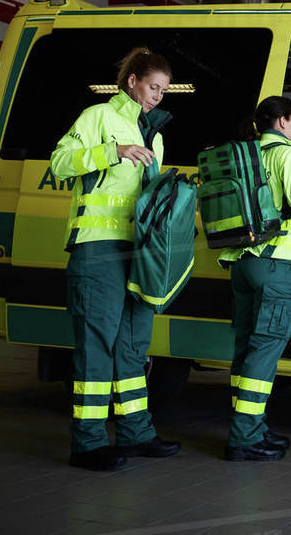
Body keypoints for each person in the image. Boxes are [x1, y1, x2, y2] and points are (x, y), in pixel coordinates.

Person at [50, 47, 181, 471]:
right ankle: (87, 443)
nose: (158, 96)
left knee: (132, 344)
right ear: (132, 82)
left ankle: (136, 432)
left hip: (140, 250)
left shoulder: (155, 133)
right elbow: (60, 163)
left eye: (163, 90)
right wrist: (113, 151)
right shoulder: (98, 118)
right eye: (153, 87)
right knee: (96, 343)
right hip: (99, 247)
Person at [218, 96, 291, 461]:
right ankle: (244, 438)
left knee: (246, 347)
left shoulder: (248, 154)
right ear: (282, 121)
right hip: (277, 264)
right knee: (265, 350)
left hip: (244, 261)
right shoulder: (289, 155)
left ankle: (251, 425)